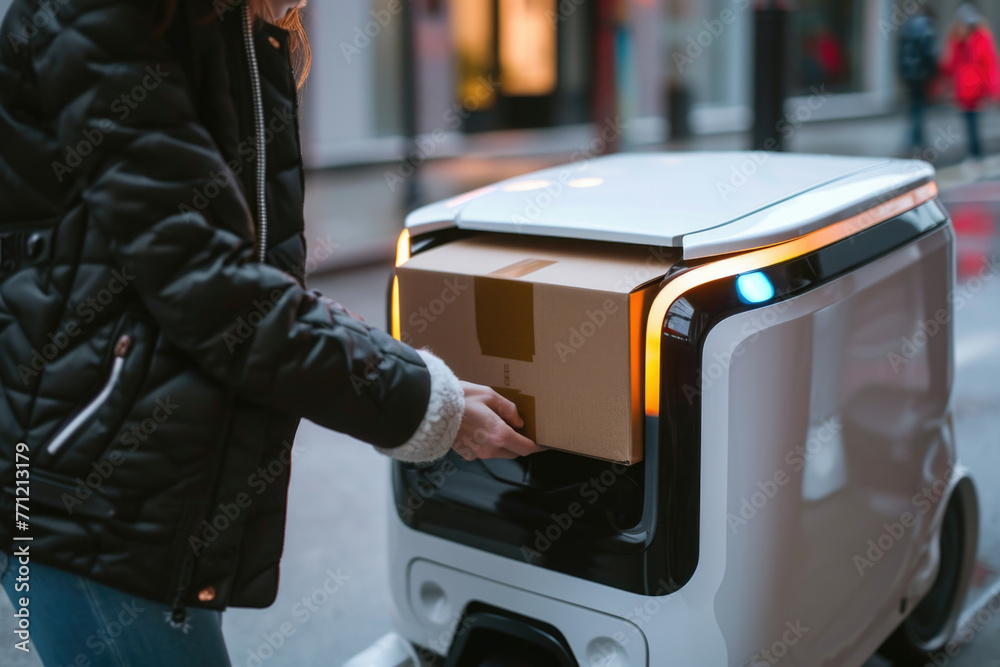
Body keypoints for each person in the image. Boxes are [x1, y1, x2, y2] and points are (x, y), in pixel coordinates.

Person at [0, 0, 542, 664]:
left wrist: (414, 380)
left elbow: (249, 276)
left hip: (143, 490)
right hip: (77, 492)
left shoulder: (243, 30)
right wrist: (423, 400)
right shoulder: (103, 13)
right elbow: (211, 286)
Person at [941, 3, 1000, 162]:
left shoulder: (982, 38)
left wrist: (993, 89)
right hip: (962, 90)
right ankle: (974, 153)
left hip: (976, 89)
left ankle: (976, 153)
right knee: (968, 122)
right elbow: (950, 65)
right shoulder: (956, 40)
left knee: (973, 122)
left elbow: (989, 64)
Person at [898, 8, 939, 151]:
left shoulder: (908, 27)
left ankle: (913, 140)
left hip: (908, 74)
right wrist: (933, 72)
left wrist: (903, 72)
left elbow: (901, 51)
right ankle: (916, 142)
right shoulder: (926, 29)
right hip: (920, 74)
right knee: (919, 108)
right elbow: (928, 54)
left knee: (913, 107)